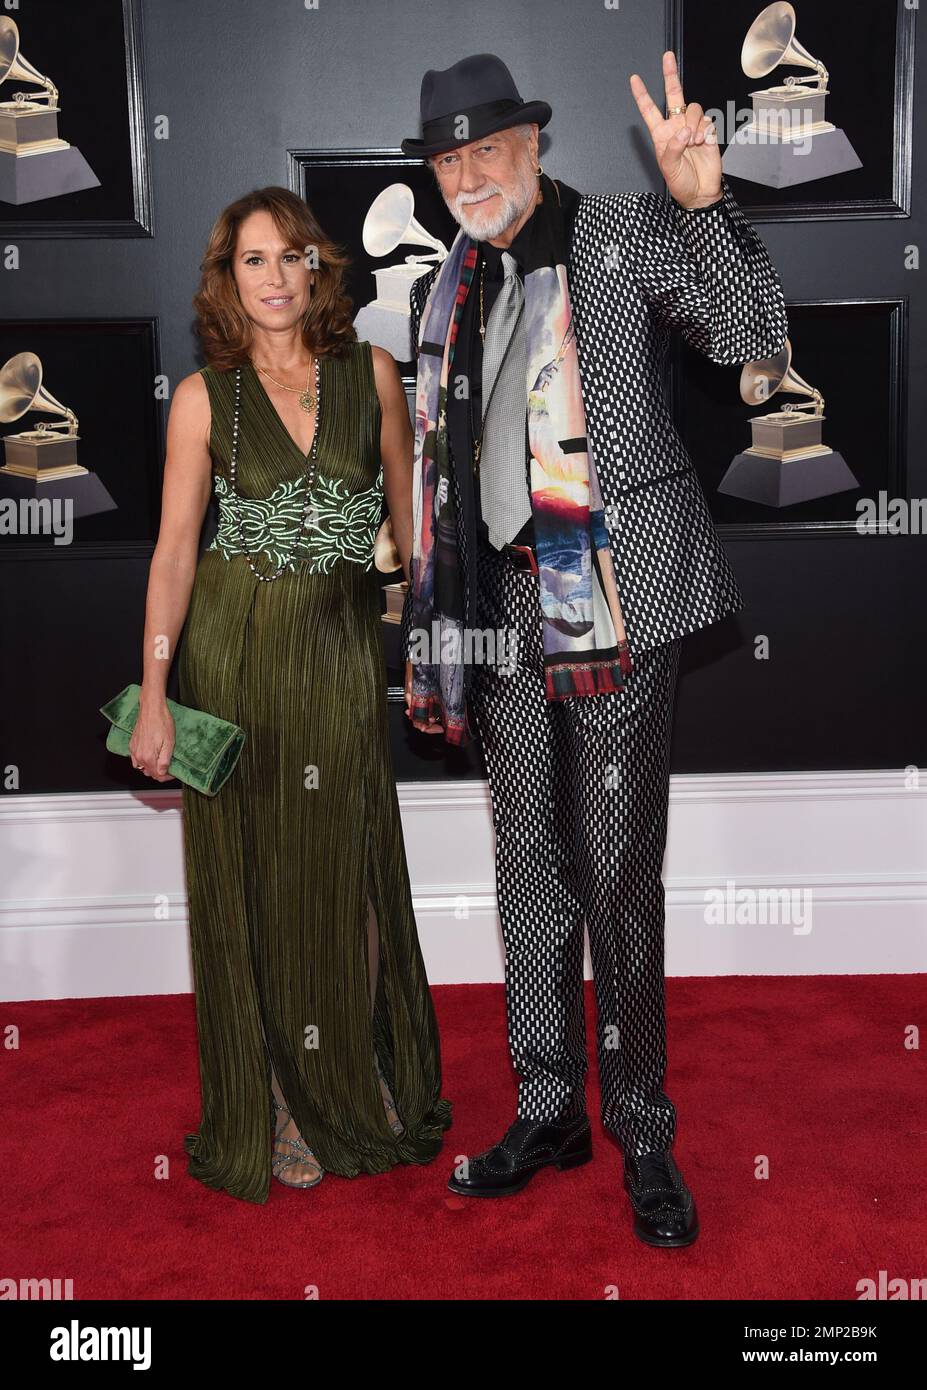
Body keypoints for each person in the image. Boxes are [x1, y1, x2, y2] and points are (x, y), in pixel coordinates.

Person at [398, 52, 788, 1246]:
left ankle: (644, 1127)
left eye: (486, 148)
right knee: (527, 862)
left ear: (532, 143)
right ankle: (548, 1105)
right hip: (502, 609)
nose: (468, 174)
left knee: (617, 870)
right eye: (447, 157)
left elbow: (753, 335)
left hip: (609, 591)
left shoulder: (624, 230)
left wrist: (704, 202)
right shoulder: (449, 286)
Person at [130, 185, 451, 1203]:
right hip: (231, 660)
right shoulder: (201, 400)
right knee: (253, 882)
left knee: (347, 870)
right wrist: (153, 692)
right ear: (228, 280)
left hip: (340, 655)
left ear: (319, 266)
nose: (272, 279)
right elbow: (176, 553)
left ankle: (349, 1075)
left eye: (289, 257)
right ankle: (272, 1099)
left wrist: (421, 630)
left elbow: (411, 526)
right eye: (250, 262)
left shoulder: (375, 377)